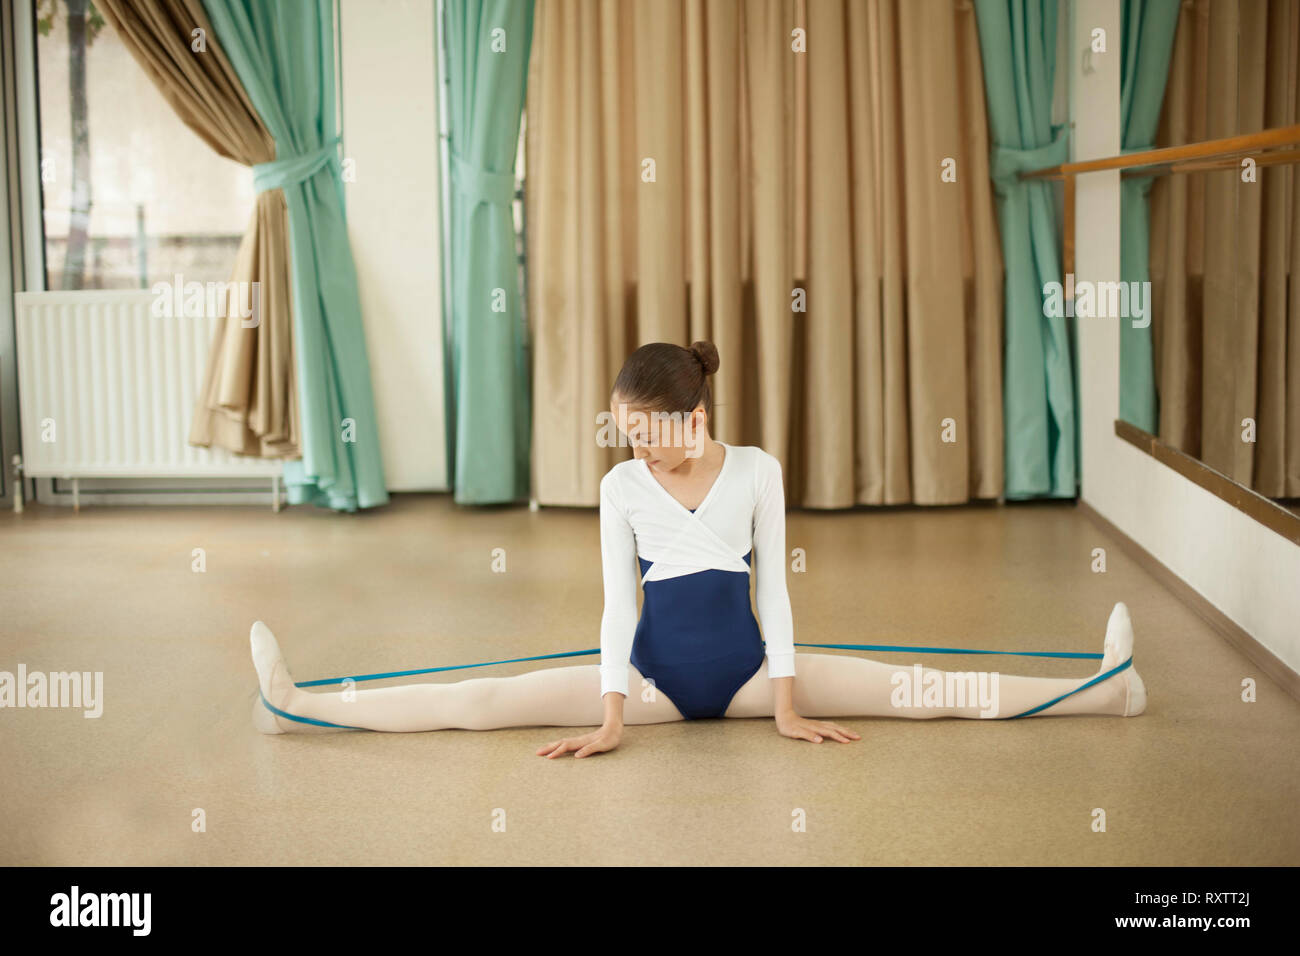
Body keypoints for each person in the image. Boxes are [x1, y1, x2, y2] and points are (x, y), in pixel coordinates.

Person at [250, 341, 1146, 756]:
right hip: (651, 684)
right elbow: (616, 606)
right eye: (624, 434)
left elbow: (779, 599)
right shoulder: (620, 488)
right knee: (482, 701)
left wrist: (787, 706)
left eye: (649, 434)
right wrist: (608, 718)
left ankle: (1107, 692)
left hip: (756, 677)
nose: (635, 449)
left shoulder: (759, 471)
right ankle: (298, 706)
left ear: (697, 415)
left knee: (928, 692)